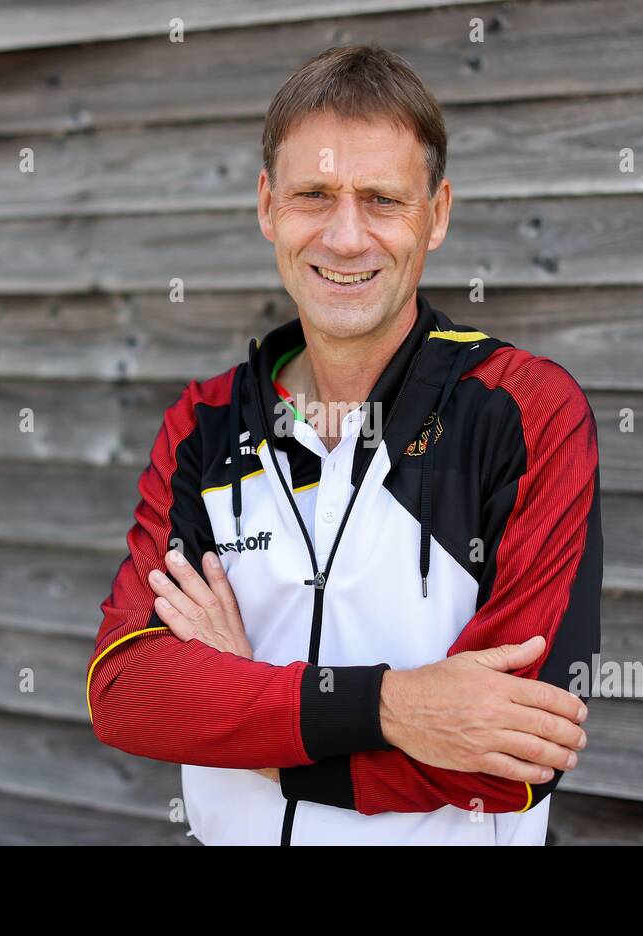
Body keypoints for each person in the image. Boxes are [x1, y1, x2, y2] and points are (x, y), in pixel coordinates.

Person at [87, 44, 602, 845]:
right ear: (267, 206)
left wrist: (245, 708)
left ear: (437, 214)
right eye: (314, 195)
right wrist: (396, 708)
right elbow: (126, 690)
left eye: (383, 200)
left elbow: (511, 759)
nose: (347, 235)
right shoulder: (205, 421)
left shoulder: (525, 410)